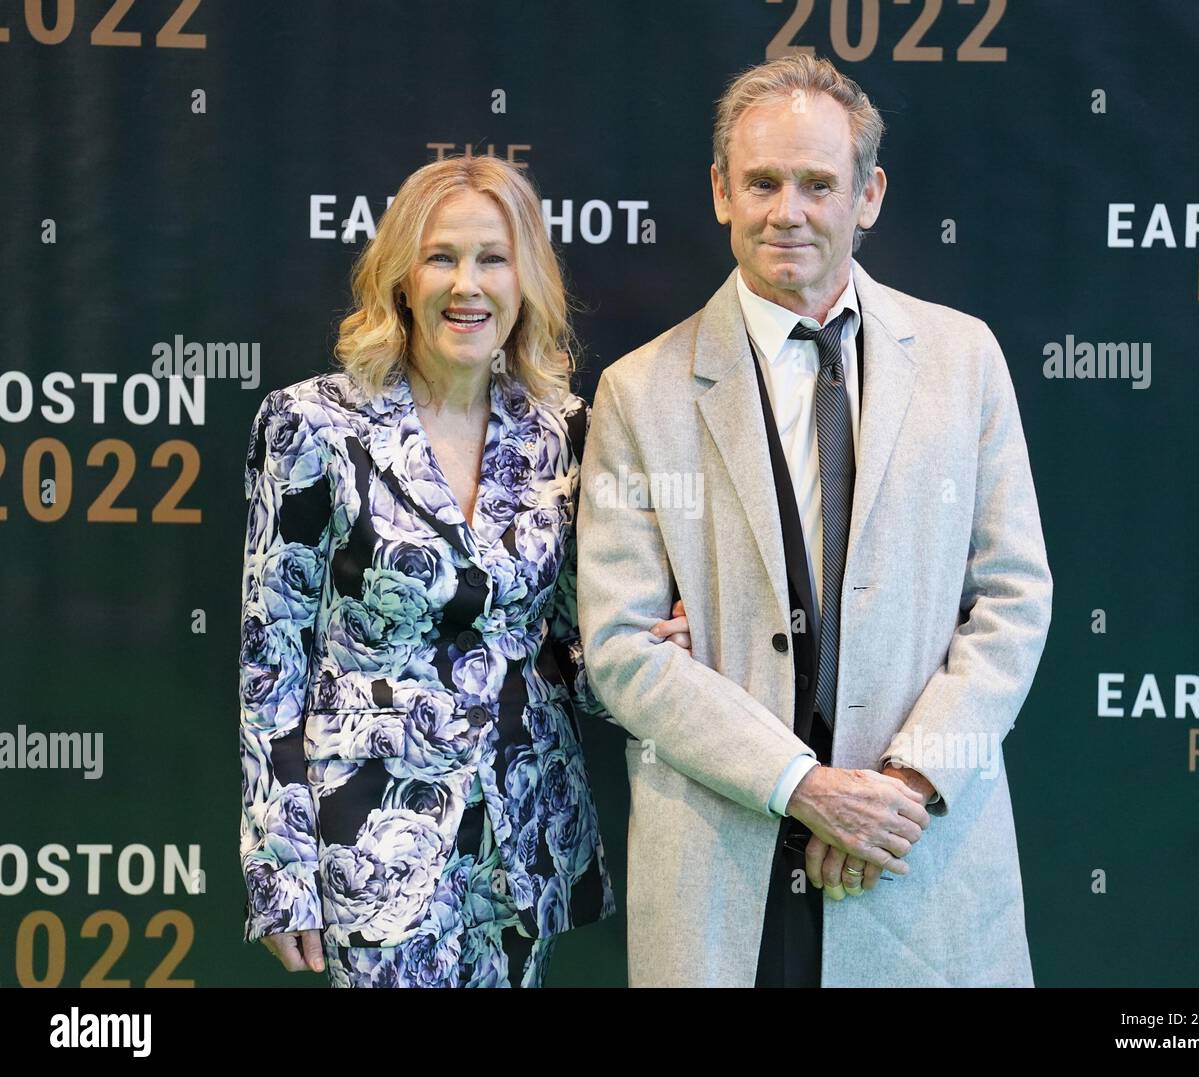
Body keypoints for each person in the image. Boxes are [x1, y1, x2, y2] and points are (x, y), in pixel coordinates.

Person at [577, 55, 1053, 987]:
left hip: (918, 861)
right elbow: (623, 646)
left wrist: (903, 788)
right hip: (726, 867)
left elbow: (1012, 601)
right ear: (721, 190)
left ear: (868, 195)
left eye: (817, 183)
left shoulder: (965, 359)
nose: (785, 211)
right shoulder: (638, 393)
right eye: (760, 182)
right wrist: (808, 790)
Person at [237, 154, 691, 988]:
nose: (467, 285)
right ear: (401, 278)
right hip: (370, 844)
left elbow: (566, 649)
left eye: (493, 258)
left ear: (526, 282)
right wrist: (281, 868)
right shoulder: (309, 423)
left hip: (522, 839)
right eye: (442, 257)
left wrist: (648, 647)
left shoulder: (565, 430)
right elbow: (273, 664)